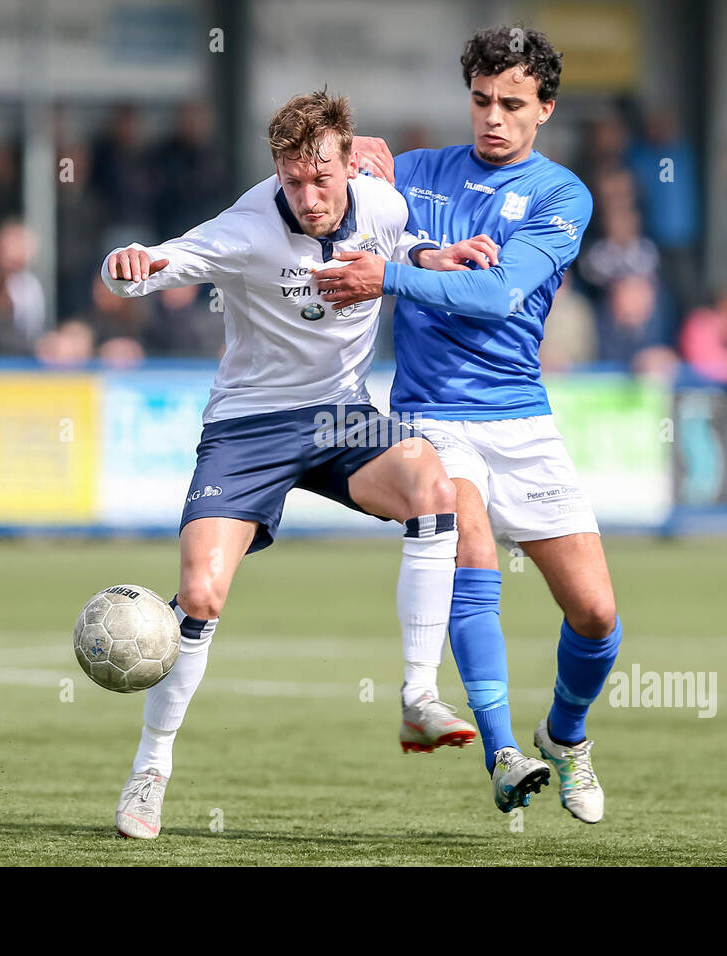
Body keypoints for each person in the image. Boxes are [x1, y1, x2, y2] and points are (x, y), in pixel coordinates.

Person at [99, 91, 504, 839]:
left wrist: (434, 257)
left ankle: (419, 696)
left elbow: (401, 245)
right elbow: (160, 264)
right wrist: (127, 266)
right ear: (277, 173)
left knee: (431, 484)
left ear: (350, 163)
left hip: (340, 416)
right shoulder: (249, 226)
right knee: (200, 594)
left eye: (322, 179)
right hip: (248, 428)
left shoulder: (378, 201)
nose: (310, 197)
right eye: (294, 182)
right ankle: (150, 770)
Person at [326, 26, 622, 821]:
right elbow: (313, 185)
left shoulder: (563, 196)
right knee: (473, 550)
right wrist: (345, 150)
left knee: (595, 614)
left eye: (513, 104)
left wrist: (388, 273)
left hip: (521, 418)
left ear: (545, 110)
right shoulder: (416, 174)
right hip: (429, 415)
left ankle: (563, 736)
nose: (493, 117)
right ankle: (501, 754)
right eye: (482, 100)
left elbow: (497, 296)